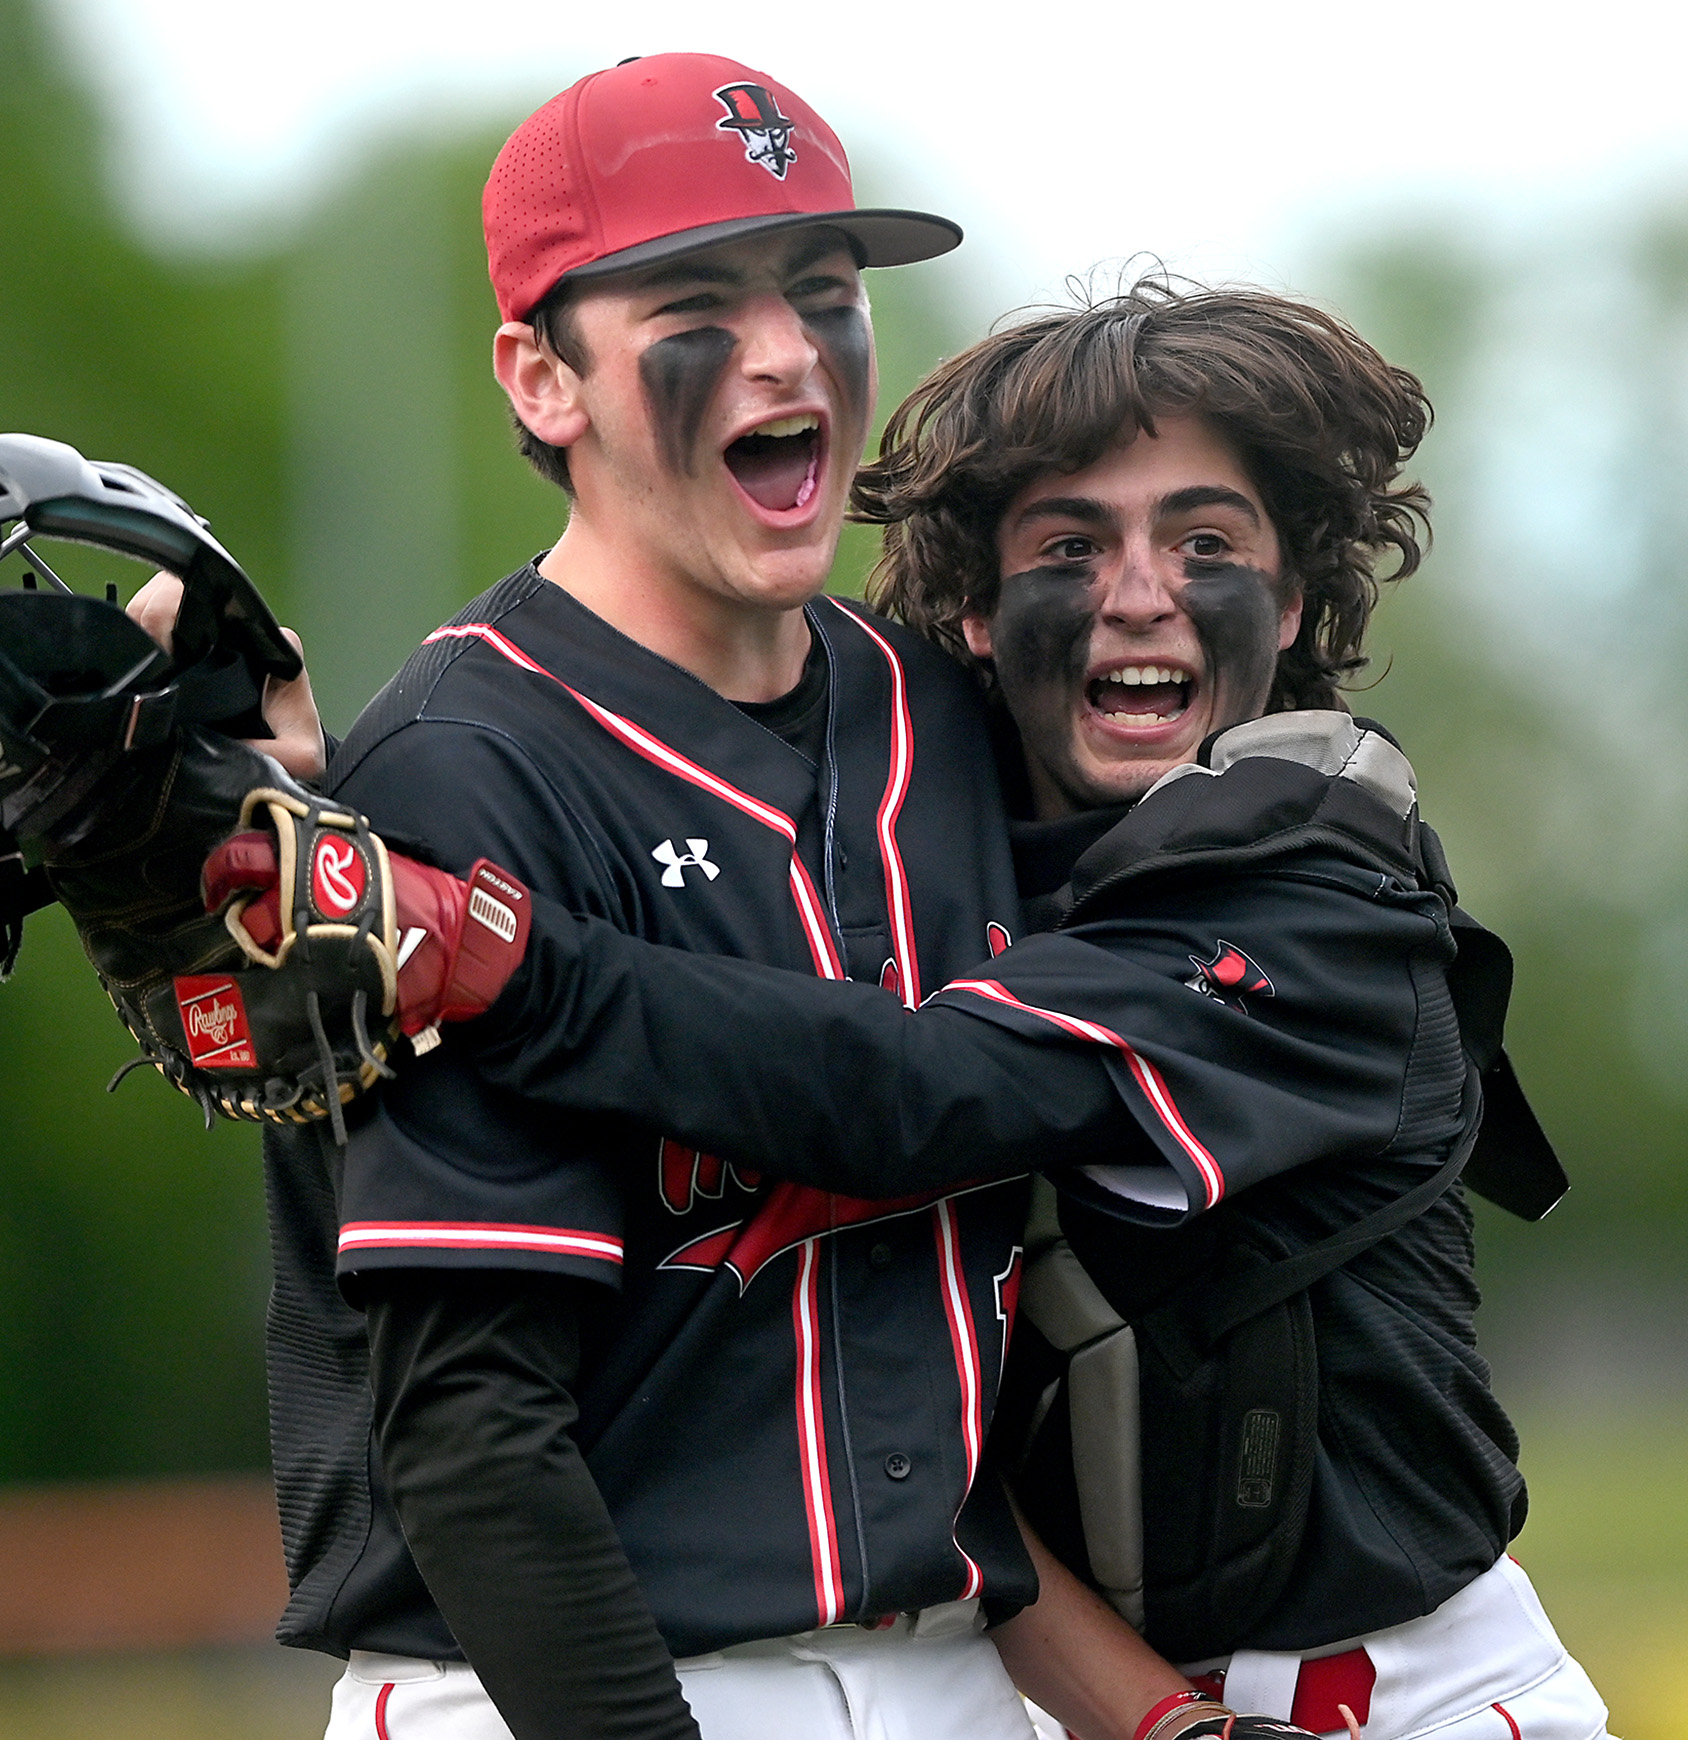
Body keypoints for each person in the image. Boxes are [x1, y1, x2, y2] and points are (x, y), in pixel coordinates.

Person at [210, 53, 1255, 1740]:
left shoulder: (937, 711)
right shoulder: (461, 775)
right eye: (698, 301)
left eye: (824, 293)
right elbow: (474, 1433)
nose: (787, 351)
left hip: (953, 1671)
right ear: (542, 378)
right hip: (566, 1691)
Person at [420, 284, 1616, 1740]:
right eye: (1069, 545)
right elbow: (942, 1459)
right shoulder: (912, 869)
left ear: (1293, 604)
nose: (1136, 590)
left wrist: (480, 952)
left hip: (1417, 1691)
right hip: (1103, 1702)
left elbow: (913, 1094)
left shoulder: (1317, 881)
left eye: (1206, 542)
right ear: (976, 614)